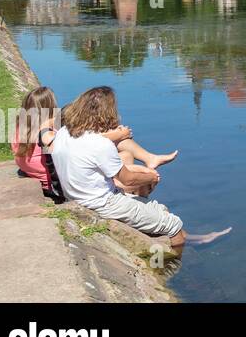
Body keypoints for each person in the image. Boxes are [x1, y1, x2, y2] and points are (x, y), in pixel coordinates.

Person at [50, 86, 228, 248]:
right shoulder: (99, 145)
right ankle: (179, 261)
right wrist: (151, 177)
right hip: (102, 203)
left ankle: (197, 238)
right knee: (173, 223)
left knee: (159, 209)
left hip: (77, 196)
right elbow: (127, 179)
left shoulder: (63, 133)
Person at [12, 86, 176, 198]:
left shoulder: (21, 127)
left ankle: (146, 163)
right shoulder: (46, 131)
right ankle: (136, 196)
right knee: (137, 168)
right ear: (49, 107)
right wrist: (116, 135)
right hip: (60, 182)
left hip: (49, 174)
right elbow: (76, 145)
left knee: (123, 153)